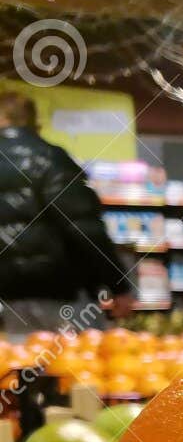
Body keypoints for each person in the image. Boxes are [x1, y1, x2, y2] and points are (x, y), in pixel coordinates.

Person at [0, 91, 135, 335]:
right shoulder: (51, 159)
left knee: (10, 369)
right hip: (57, 297)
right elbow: (83, 227)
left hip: (6, 303)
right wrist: (118, 286)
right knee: (71, 366)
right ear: (33, 121)